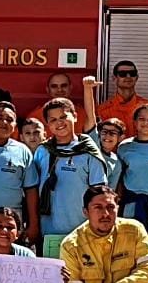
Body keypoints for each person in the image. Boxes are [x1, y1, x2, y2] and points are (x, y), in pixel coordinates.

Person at [24, 99, 107, 247]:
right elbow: (33, 191)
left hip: (82, 232)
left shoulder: (88, 151)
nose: (59, 123)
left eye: (63, 117)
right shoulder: (42, 151)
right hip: (48, 232)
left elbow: (99, 194)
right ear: (48, 124)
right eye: (53, 120)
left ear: (74, 116)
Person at [97, 60, 148, 131]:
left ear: (137, 77)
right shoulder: (103, 110)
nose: (128, 76)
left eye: (132, 73)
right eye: (122, 74)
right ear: (114, 78)